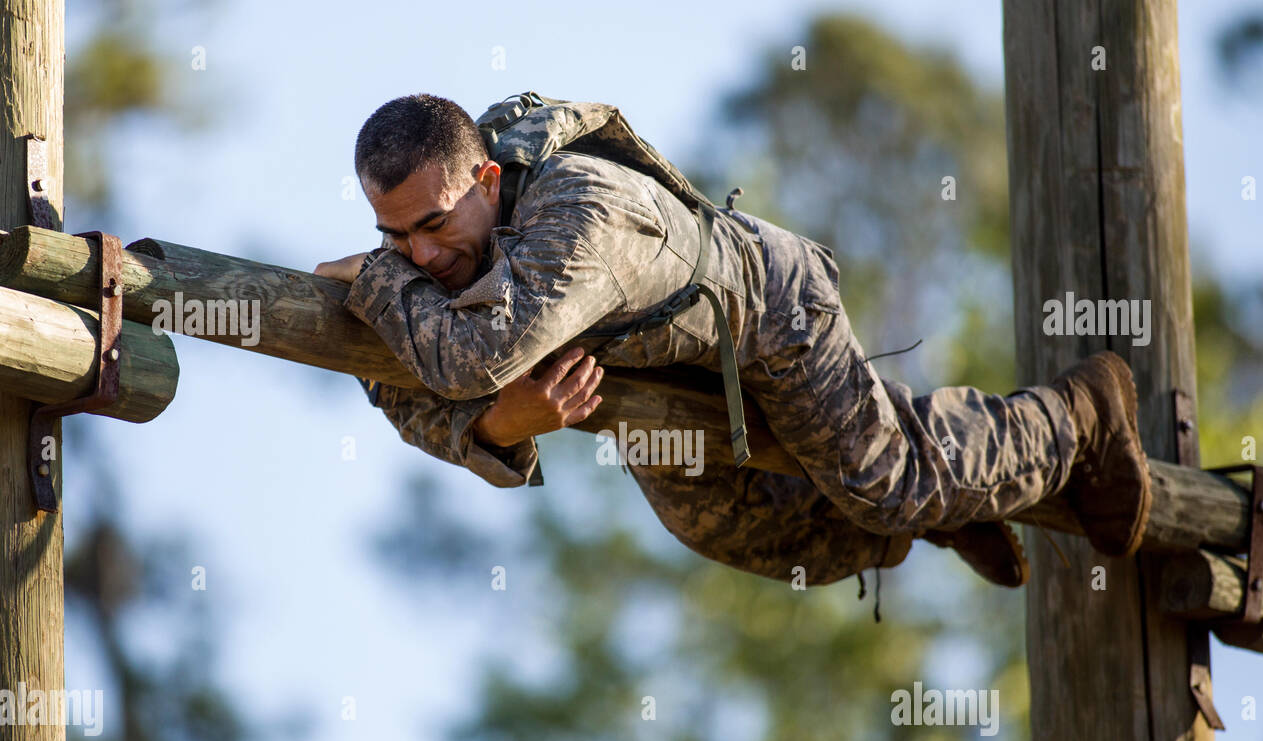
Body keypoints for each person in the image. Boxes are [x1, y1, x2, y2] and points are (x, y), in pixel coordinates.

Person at [316, 94, 1151, 591]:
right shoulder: (421, 248)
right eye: (394, 237)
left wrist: (378, 283)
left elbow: (474, 359)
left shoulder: (581, 212)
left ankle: (1081, 413)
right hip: (656, 367)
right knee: (725, 528)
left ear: (487, 181)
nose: (421, 255)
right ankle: (933, 512)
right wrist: (497, 429)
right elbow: (397, 380)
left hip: (767, 312)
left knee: (887, 482)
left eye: (433, 225)